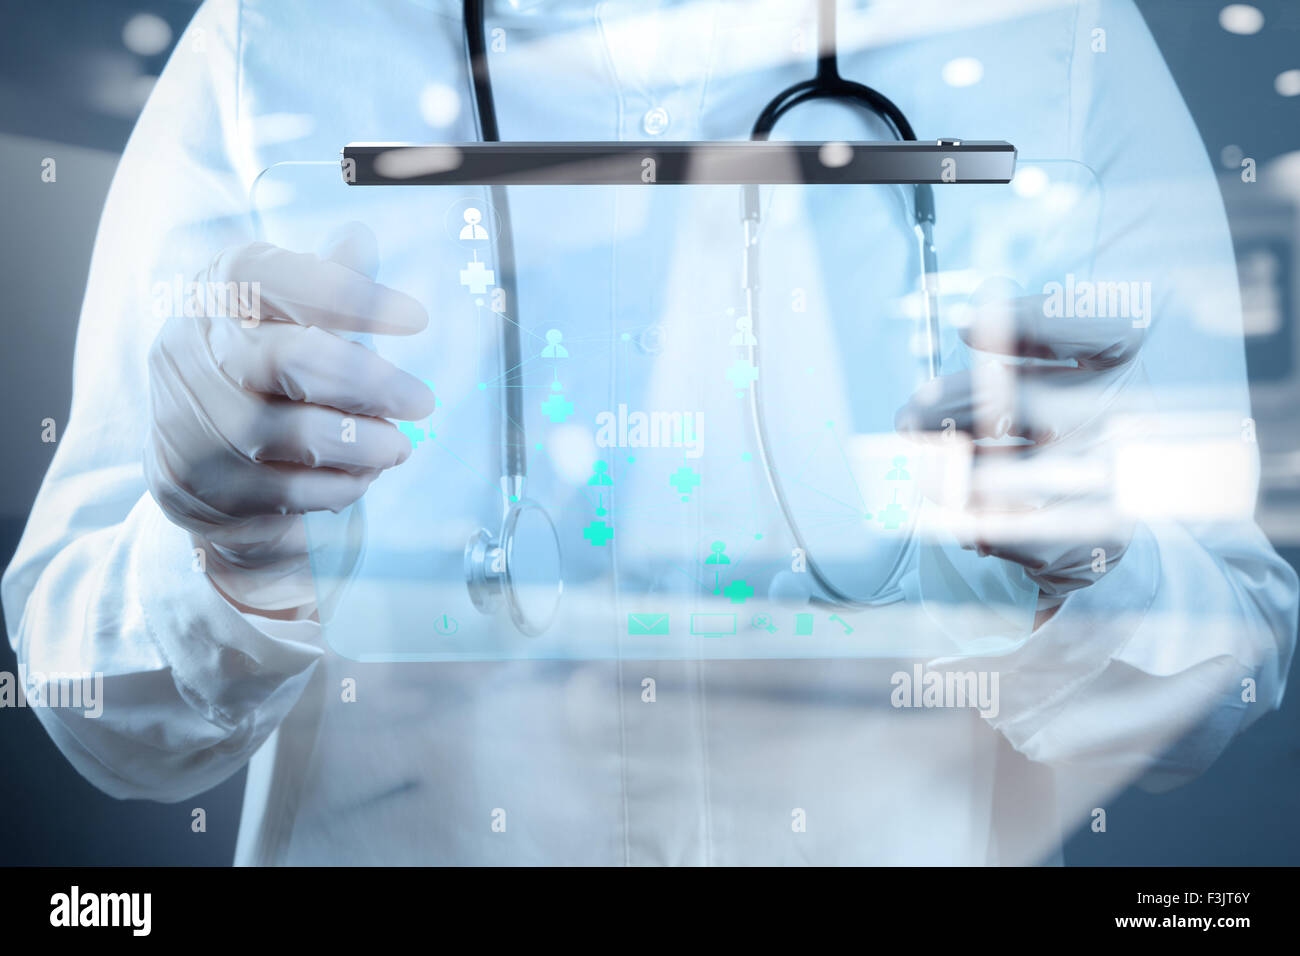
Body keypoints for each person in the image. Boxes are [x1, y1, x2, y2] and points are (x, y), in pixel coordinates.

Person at [3, 0, 1296, 865]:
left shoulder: (1049, 33)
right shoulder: (278, 37)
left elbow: (1224, 676)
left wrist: (1095, 561)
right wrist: (222, 558)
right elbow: (92, 707)